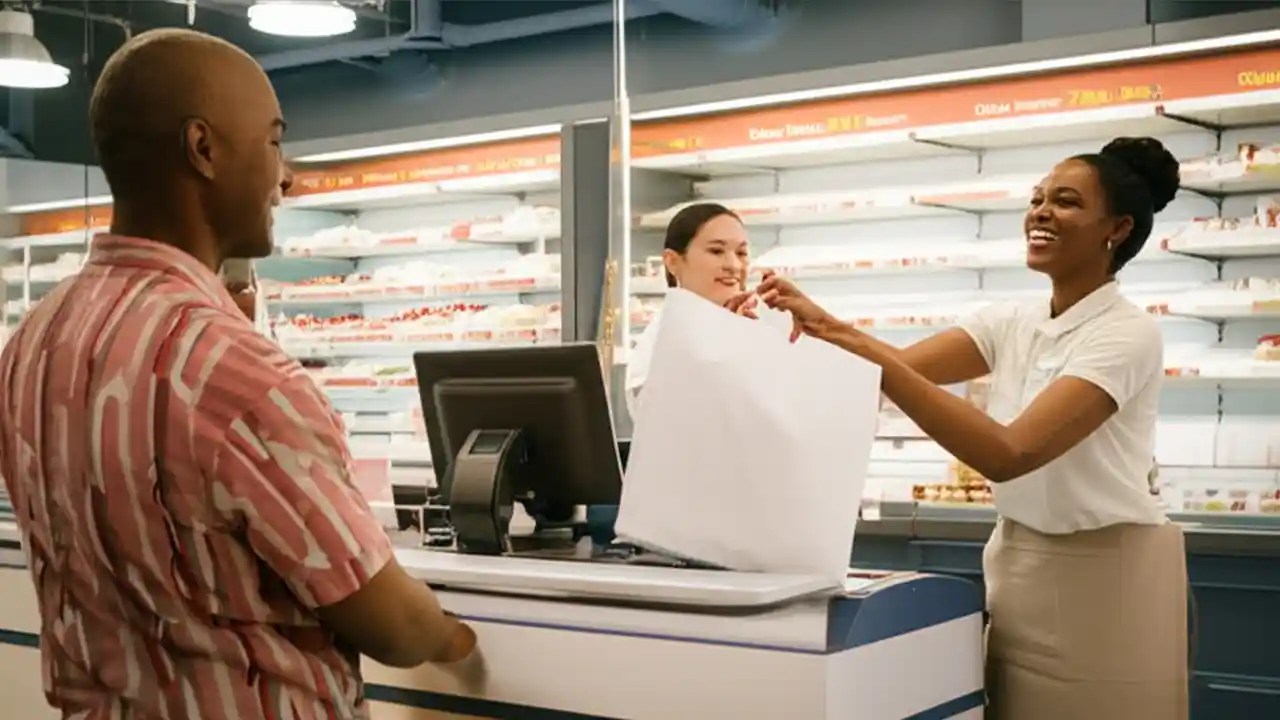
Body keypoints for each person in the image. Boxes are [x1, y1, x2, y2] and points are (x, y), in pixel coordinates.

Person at [0, 29, 475, 719]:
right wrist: (456, 639)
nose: (287, 177)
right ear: (203, 148)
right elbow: (393, 627)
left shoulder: (33, 342)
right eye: (275, 142)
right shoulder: (237, 372)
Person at [747, 137, 1188, 718]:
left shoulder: (1127, 333)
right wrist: (816, 325)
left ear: (1118, 228)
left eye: (1066, 202)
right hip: (1019, 568)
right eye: (1037, 198)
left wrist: (847, 339)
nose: (1041, 212)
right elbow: (899, 370)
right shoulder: (1011, 321)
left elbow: (1009, 453)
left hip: (1108, 581)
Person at [626, 202, 756, 419]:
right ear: (673, 262)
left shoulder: (757, 329)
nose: (733, 265)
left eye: (741, 253)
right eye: (716, 251)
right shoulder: (660, 345)